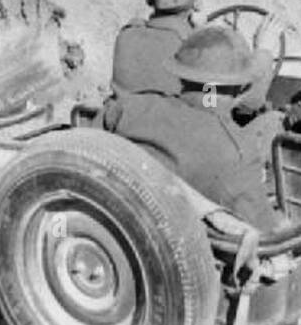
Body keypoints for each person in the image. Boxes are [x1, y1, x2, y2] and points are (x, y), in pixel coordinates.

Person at [102, 25, 281, 232]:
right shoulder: (238, 156)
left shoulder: (128, 108)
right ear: (241, 88)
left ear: (182, 75)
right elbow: (266, 235)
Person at [109, 0, 272, 114]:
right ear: (195, 3)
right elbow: (226, 104)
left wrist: (195, 31)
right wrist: (262, 53)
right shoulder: (196, 56)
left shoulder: (127, 36)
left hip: (124, 125)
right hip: (176, 132)